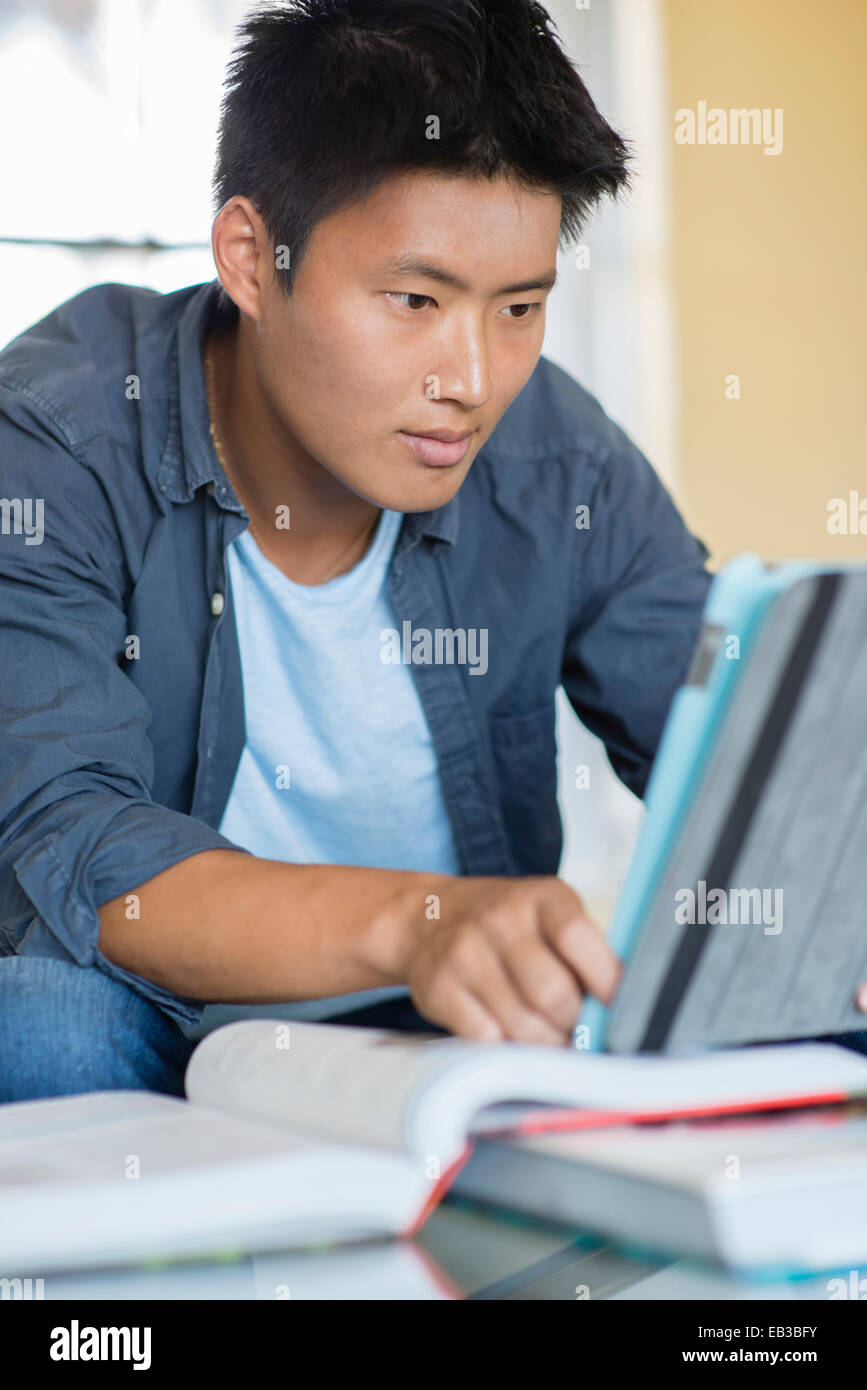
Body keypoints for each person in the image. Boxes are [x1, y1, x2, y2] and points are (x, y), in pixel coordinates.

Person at [0, 0, 716, 1103]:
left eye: (519, 307)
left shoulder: (558, 461)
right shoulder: (57, 436)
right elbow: (79, 852)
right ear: (251, 255)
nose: (472, 379)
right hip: (154, 1012)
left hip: (440, 1032)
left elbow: (725, 745)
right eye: (414, 300)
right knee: (39, 1024)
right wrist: (421, 920)